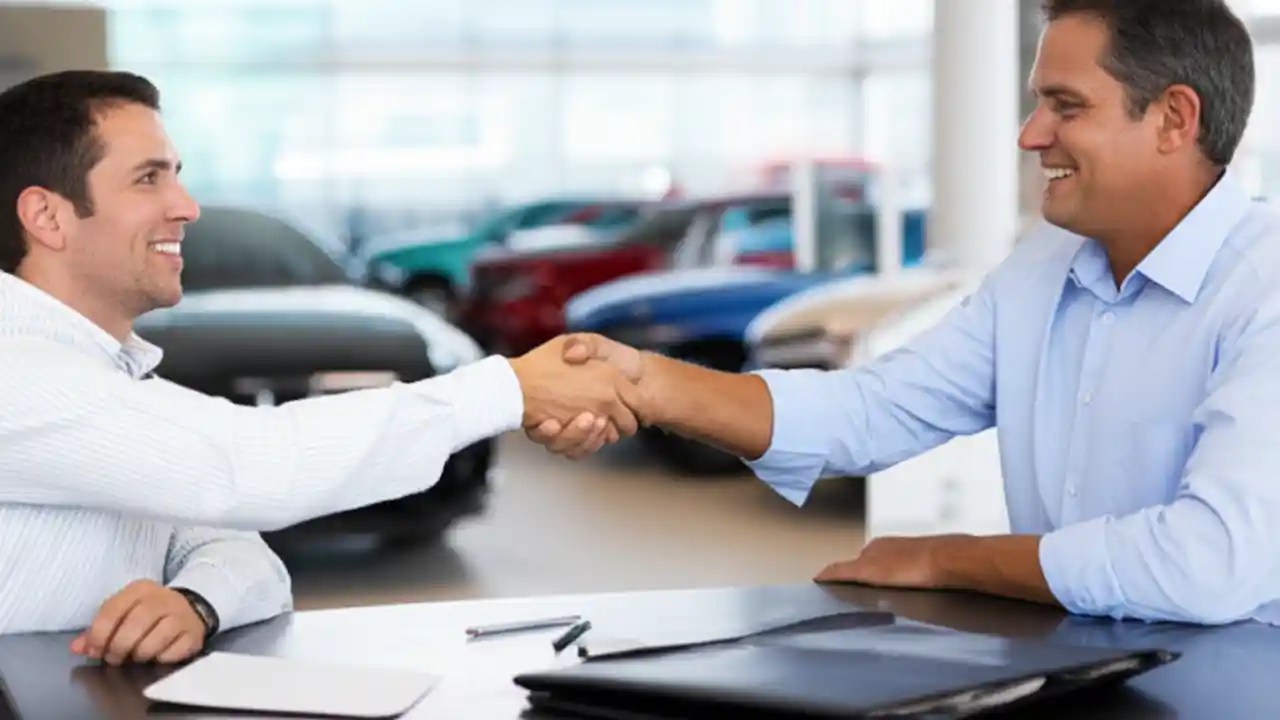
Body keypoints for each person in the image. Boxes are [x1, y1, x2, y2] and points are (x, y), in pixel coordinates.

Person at [533, 0, 1280, 626]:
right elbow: (870, 410)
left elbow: (1209, 560)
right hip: (1084, 662)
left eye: (1066, 106)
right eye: (1035, 103)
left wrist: (946, 558)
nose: (1030, 135)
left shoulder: (1264, 289)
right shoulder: (1042, 271)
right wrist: (642, 383)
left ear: (1174, 119)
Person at [0, 71, 639, 663]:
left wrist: (196, 600)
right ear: (47, 216)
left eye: (177, 175)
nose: (187, 206)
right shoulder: (18, 372)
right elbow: (251, 465)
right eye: (149, 178)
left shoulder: (105, 373)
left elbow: (238, 548)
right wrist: (513, 389)